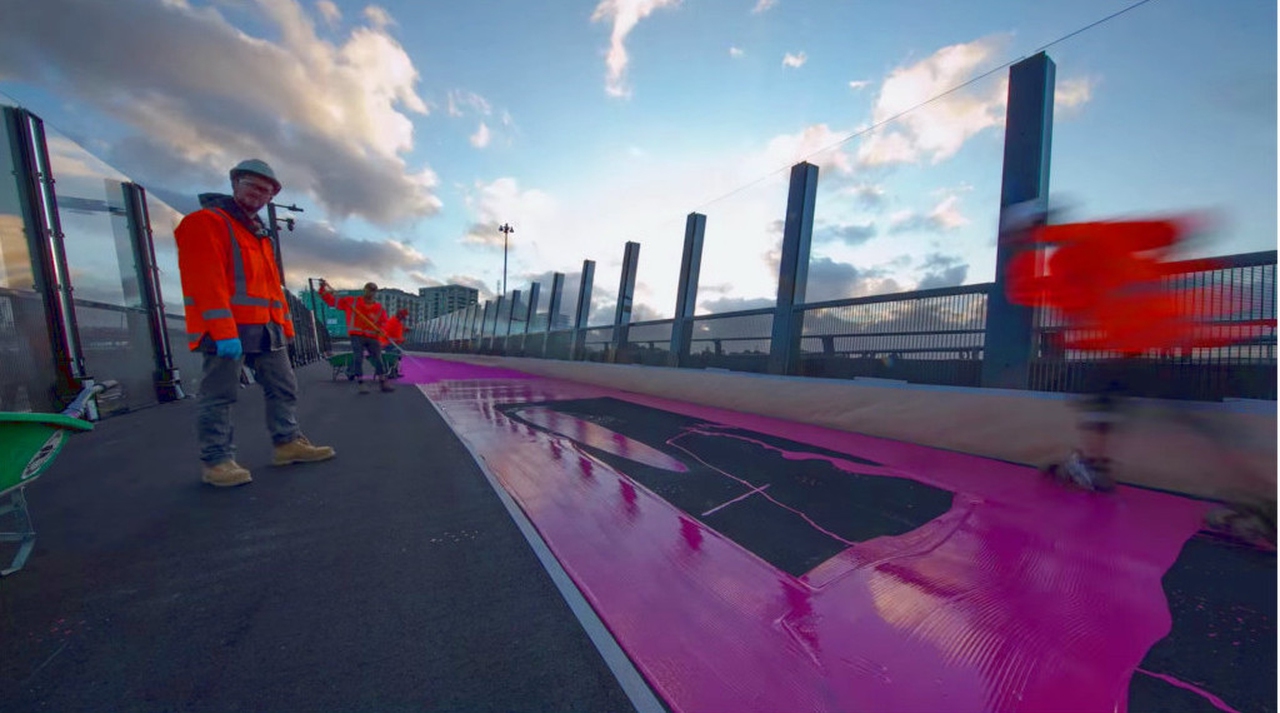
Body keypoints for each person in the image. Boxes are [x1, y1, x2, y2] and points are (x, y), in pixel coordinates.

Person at [175, 159, 336, 487]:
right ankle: (217, 461)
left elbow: (270, 286)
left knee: (284, 387)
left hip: (266, 327)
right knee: (220, 394)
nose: (259, 194)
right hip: (228, 328)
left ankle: (287, 443)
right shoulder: (206, 222)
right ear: (235, 183)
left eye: (267, 191)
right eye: (253, 186)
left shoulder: (260, 234)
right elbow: (205, 282)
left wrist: (286, 327)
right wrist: (222, 331)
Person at [318, 280, 394, 394]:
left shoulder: (379, 308)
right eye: (369, 290)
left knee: (378, 358)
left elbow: (384, 323)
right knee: (358, 357)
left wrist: (382, 331)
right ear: (365, 290)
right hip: (356, 335)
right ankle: (361, 383)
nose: (371, 293)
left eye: (373, 291)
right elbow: (331, 301)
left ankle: (383, 381)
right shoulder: (352, 302)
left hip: (372, 337)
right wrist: (322, 289)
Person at [380, 308, 409, 378]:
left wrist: (405, 329)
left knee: (397, 356)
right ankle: (391, 372)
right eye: (403, 317)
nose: (403, 319)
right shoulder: (393, 322)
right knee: (392, 357)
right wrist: (402, 340)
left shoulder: (397, 322)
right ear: (400, 315)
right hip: (388, 343)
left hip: (392, 343)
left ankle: (394, 371)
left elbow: (399, 329)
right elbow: (394, 335)